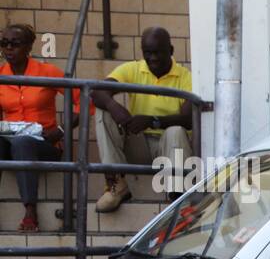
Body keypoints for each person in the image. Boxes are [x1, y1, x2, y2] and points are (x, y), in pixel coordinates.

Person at [91, 26, 194, 212]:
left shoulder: (186, 76)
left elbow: (188, 119)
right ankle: (116, 185)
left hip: (167, 147)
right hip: (137, 143)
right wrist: (115, 107)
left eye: (158, 52)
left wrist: (153, 121)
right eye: (148, 53)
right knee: (103, 110)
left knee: (176, 131)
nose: (153, 58)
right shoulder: (134, 69)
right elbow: (97, 91)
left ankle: (179, 197)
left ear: (170, 51)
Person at [0, 23, 85, 232]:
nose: (8, 49)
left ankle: (30, 212)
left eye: (15, 44)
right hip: (9, 144)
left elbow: (83, 100)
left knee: (23, 142)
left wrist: (62, 130)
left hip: (45, 144)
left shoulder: (46, 72)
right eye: (4, 44)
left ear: (29, 47)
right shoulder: (1, 75)